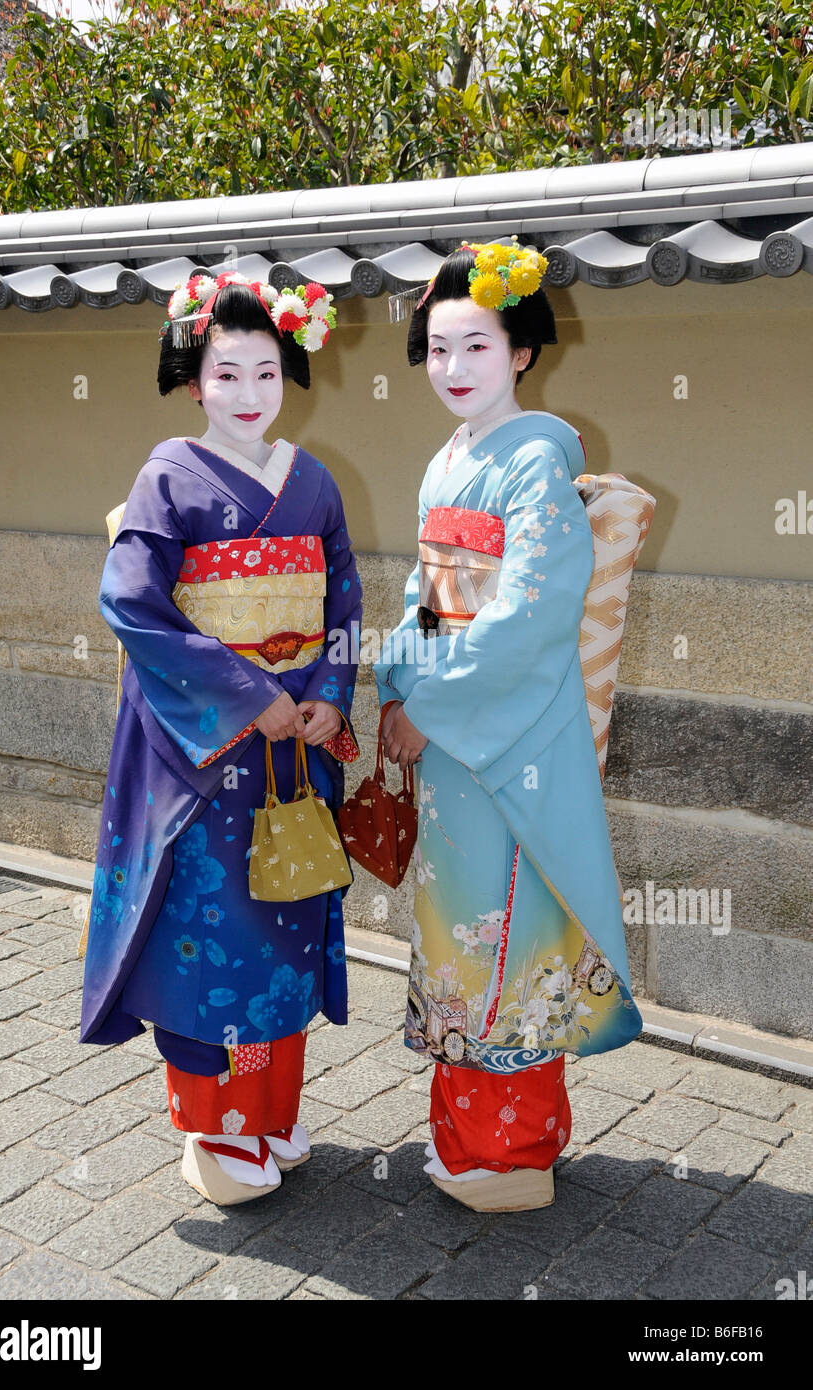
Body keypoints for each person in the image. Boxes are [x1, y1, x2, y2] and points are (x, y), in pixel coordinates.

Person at [79, 270, 361, 1205]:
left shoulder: (314, 480)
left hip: (292, 752)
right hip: (208, 757)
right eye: (227, 374)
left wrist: (328, 693)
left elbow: (343, 599)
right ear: (194, 381)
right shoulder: (168, 473)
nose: (248, 394)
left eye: (266, 374)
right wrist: (246, 695)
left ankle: (271, 1117)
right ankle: (214, 1130)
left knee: (285, 925)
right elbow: (130, 602)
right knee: (211, 938)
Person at [374, 239, 643, 1213]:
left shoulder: (537, 455)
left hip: (508, 743)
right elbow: (423, 594)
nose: (451, 369)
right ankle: (467, 1138)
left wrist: (430, 703)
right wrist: (396, 689)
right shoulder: (443, 464)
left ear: (520, 350)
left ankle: (513, 1151)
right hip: (449, 741)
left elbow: (528, 612)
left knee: (507, 933)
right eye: (438, 348)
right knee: (454, 932)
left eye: (473, 347)